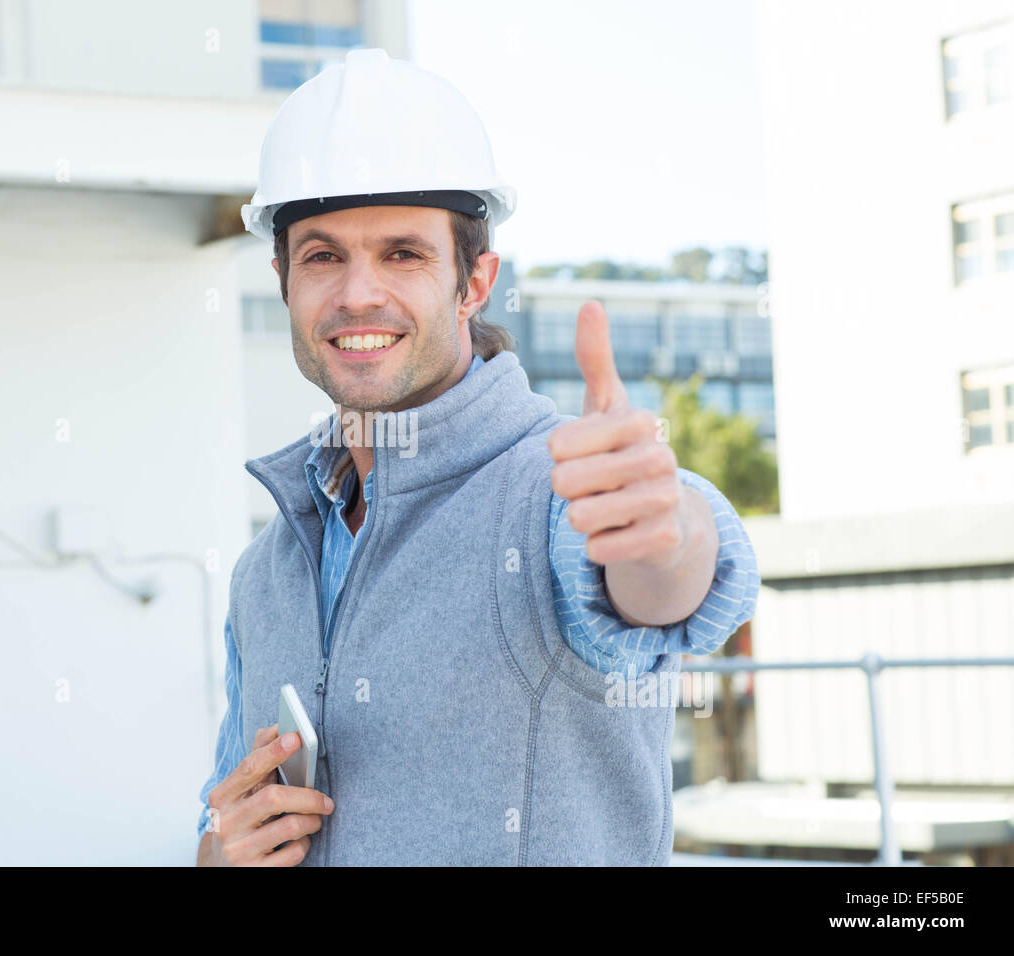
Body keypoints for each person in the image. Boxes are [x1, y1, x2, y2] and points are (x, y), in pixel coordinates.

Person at [196, 48, 759, 866]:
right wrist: (221, 855)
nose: (358, 294)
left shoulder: (555, 492)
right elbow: (223, 815)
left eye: (403, 254)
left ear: (474, 282)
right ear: (282, 276)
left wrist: (665, 526)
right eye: (323, 256)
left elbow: (662, 582)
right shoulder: (264, 572)